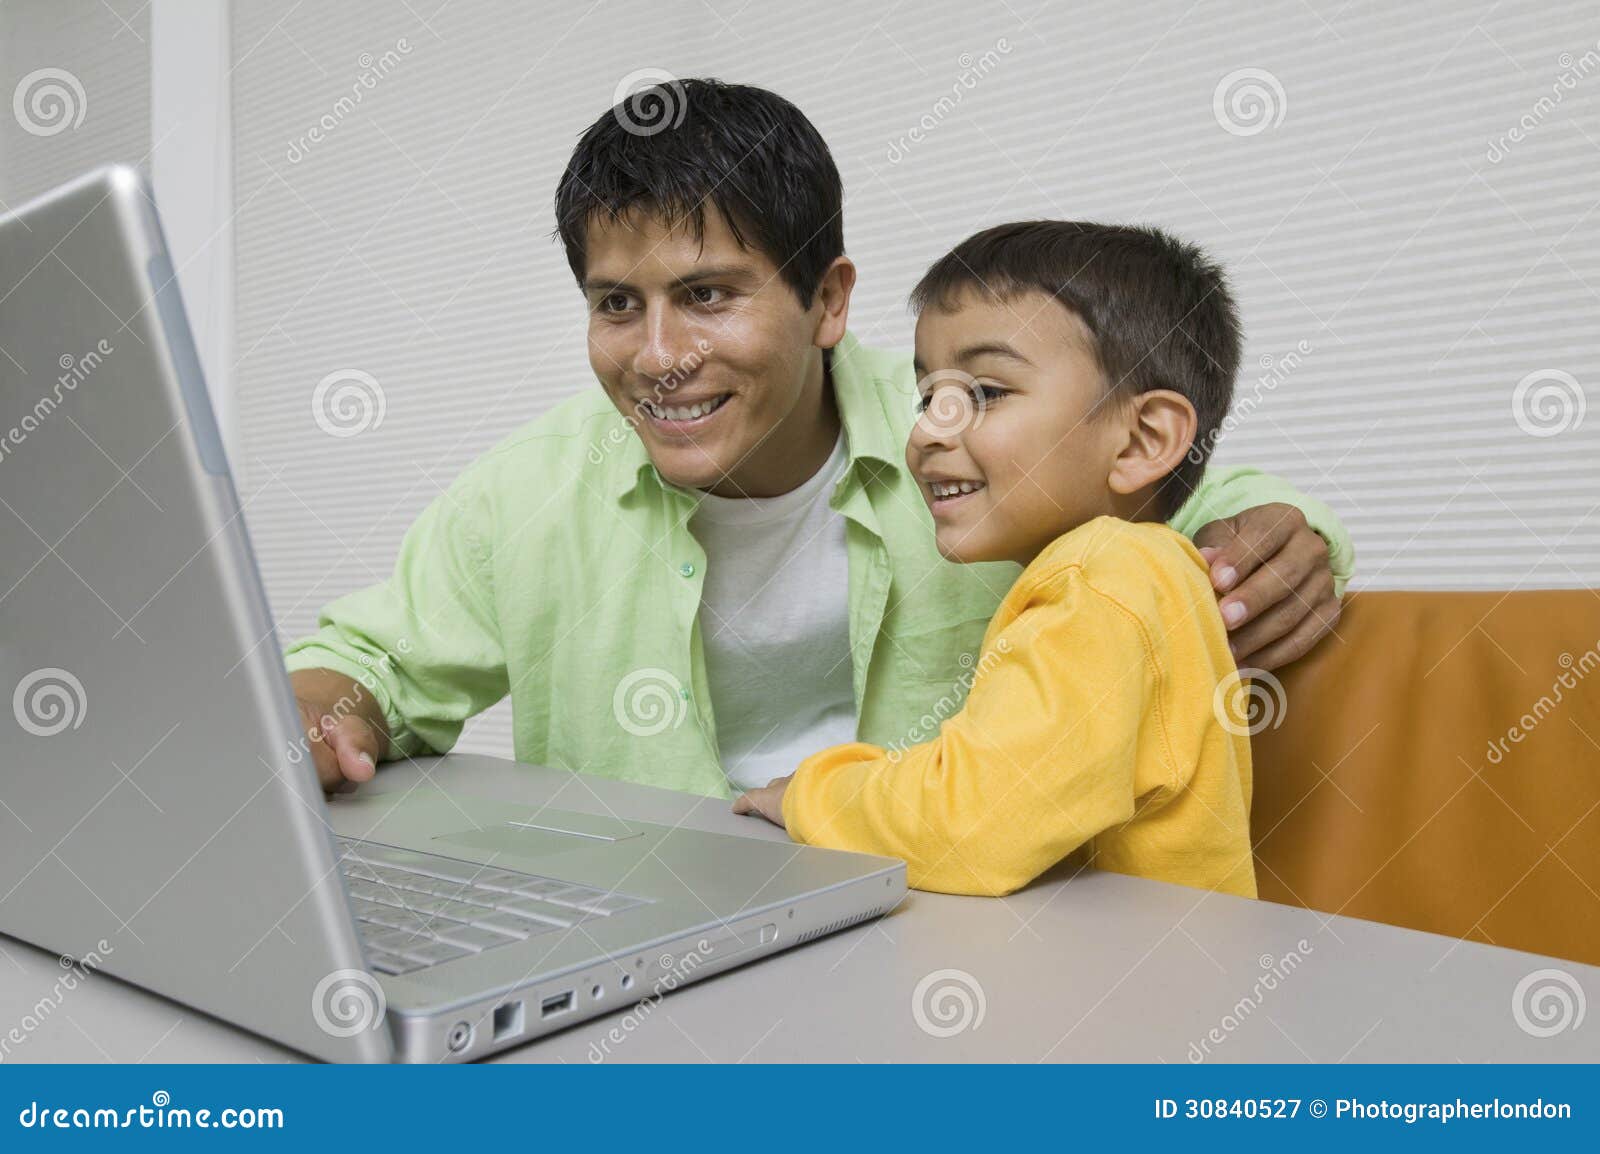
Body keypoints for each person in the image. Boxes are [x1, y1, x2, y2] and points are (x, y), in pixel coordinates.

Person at [286, 80, 1351, 798]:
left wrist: (1289, 533)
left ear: (827, 300)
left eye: (706, 294)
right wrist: (323, 717)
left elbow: (1171, 484)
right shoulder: (527, 491)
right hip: (646, 950)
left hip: (929, 923)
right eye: (617, 304)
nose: (656, 355)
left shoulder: (952, 426)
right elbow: (364, 663)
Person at [734, 221, 1258, 899]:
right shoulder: (1128, 572)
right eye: (928, 398)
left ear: (1142, 441)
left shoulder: (1102, 577)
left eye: (986, 392)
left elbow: (968, 824)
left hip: (1134, 998)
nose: (927, 431)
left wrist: (810, 794)